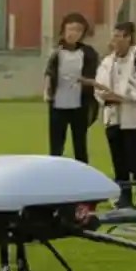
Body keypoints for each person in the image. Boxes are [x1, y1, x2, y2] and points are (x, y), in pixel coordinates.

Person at [84, 21, 136, 209]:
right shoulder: (108, 61)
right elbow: (99, 85)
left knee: (135, 161)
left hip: (135, 120)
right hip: (113, 118)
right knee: (119, 162)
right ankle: (124, 199)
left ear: (128, 37)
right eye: (113, 35)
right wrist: (105, 97)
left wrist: (122, 97)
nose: (114, 40)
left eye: (118, 36)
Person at [43, 12, 100, 163]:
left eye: (77, 30)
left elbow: (94, 76)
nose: (73, 33)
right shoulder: (56, 52)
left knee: (80, 144)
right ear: (63, 30)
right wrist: (47, 90)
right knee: (56, 146)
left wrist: (85, 81)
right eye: (70, 29)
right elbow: (49, 72)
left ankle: (82, 177)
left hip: (79, 105)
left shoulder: (88, 53)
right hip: (58, 104)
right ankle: (55, 175)